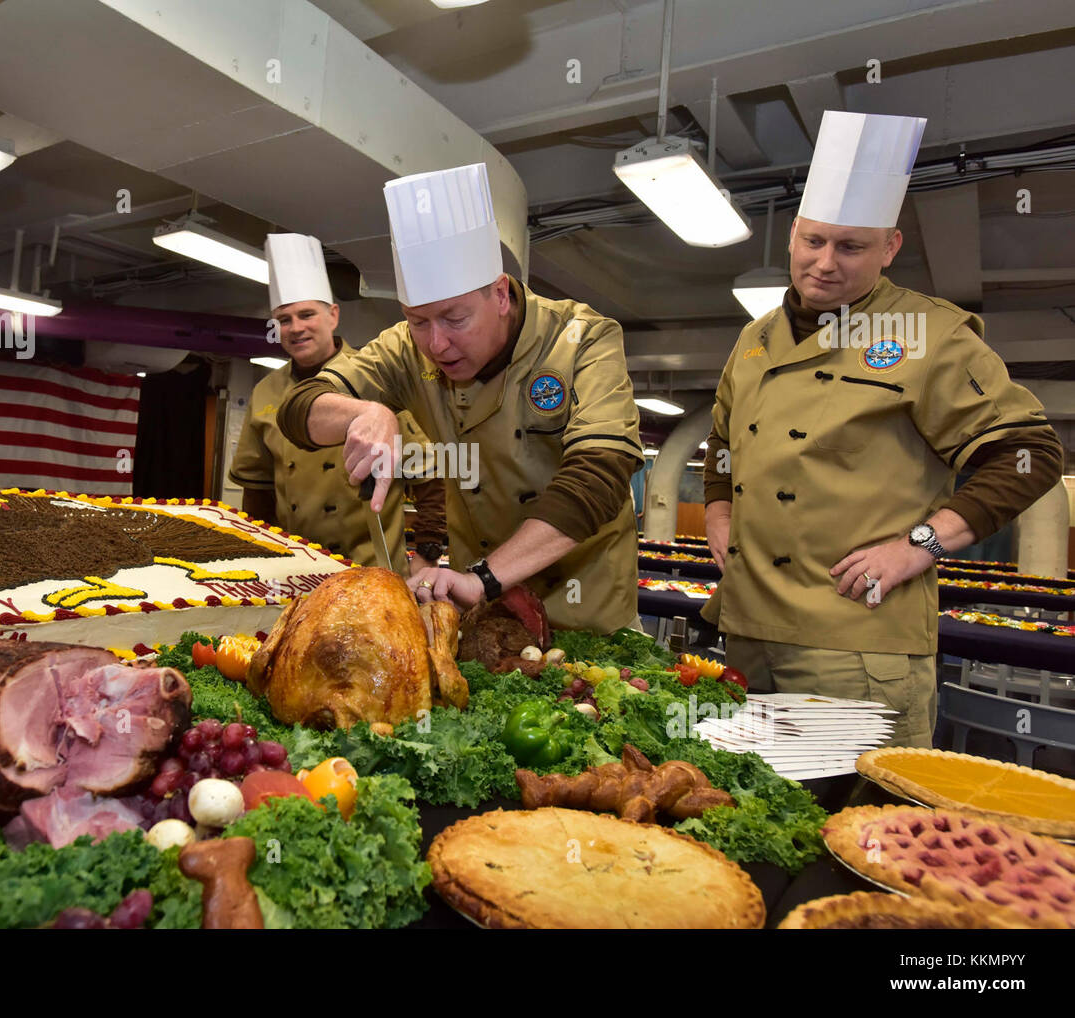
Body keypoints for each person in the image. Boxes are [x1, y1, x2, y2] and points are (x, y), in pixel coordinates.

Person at [701, 111, 1064, 747]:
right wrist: (717, 520)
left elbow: (1030, 454)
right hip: (748, 631)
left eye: (851, 247)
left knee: (863, 827)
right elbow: (725, 447)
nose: (824, 263)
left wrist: (922, 543)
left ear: (890, 248)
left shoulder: (929, 334)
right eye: (812, 241)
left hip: (856, 644)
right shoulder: (754, 339)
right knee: (752, 818)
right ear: (791, 236)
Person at [276, 164, 645, 632]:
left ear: (500, 294)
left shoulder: (582, 338)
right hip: (483, 613)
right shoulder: (404, 349)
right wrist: (365, 410)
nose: (436, 344)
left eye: (454, 319)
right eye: (418, 321)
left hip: (588, 610)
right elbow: (298, 408)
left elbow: (599, 476)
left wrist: (486, 577)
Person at [229, 233, 446, 572]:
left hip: (370, 568)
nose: (295, 328)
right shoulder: (265, 392)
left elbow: (430, 476)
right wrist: (258, 556)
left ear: (333, 315)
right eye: (285, 320)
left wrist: (428, 551)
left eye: (306, 315)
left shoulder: (377, 379)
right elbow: (258, 489)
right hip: (295, 569)